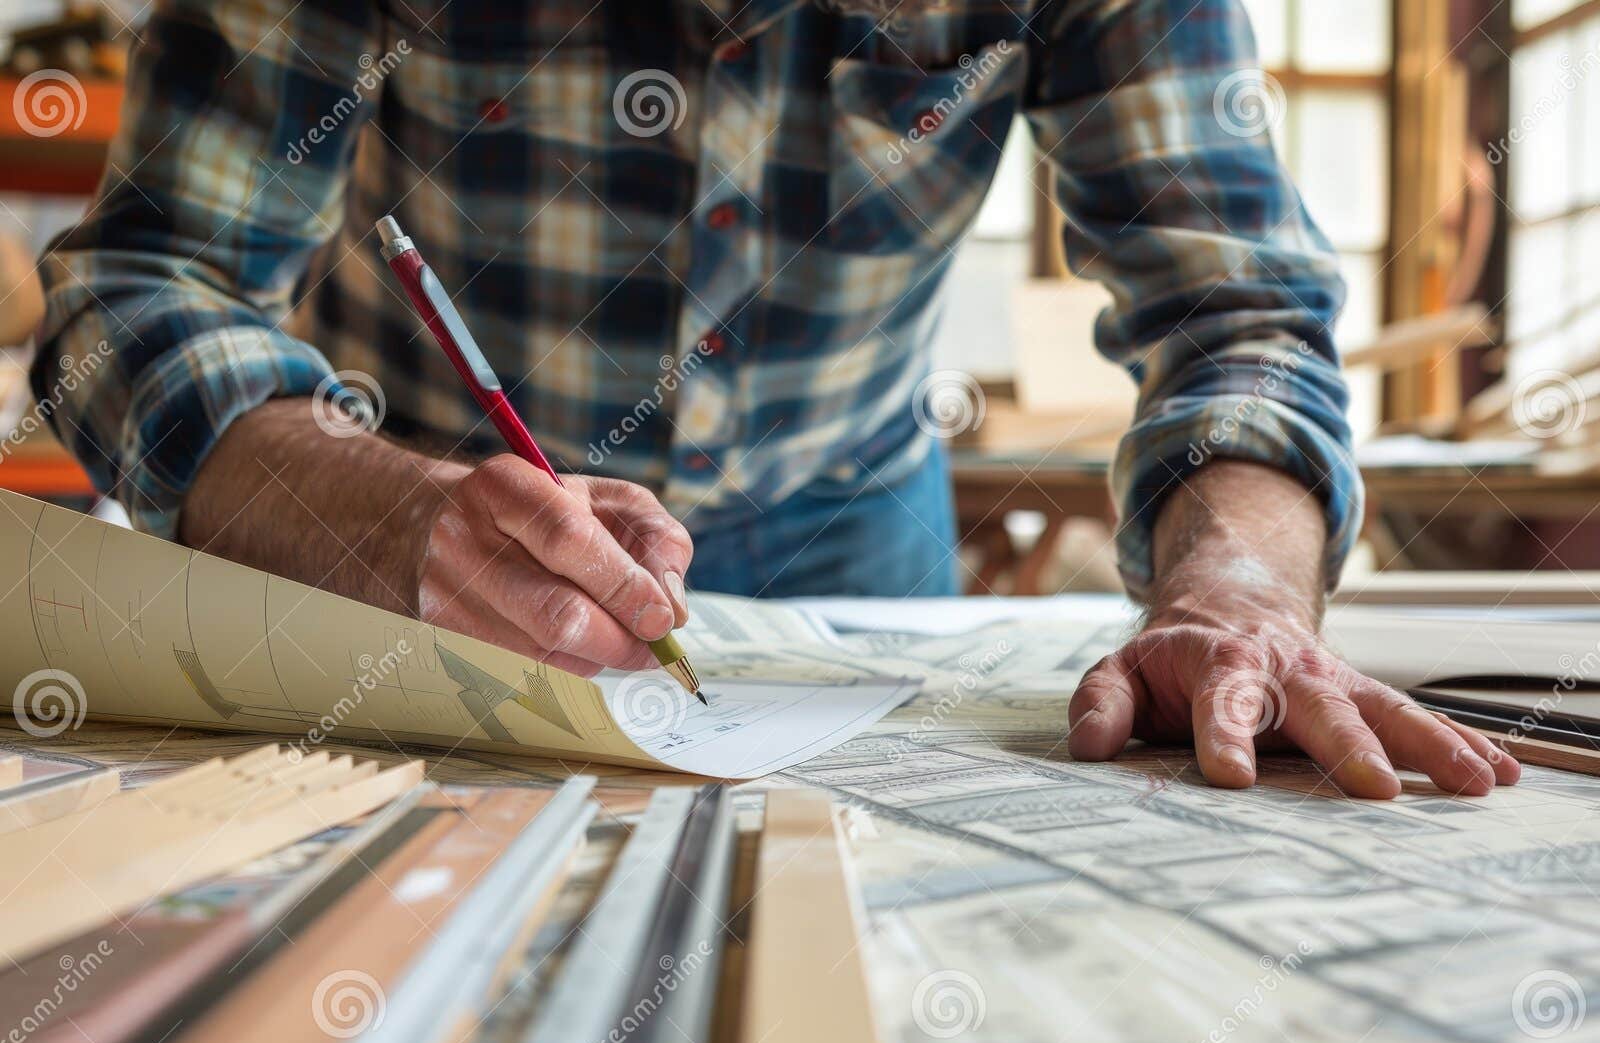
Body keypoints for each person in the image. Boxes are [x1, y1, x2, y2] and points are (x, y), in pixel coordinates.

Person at [31, 0, 1518, 798]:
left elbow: (1235, 311)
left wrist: (1235, 591)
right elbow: (138, 292)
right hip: (408, 539)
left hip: (849, 530)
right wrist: (380, 510)